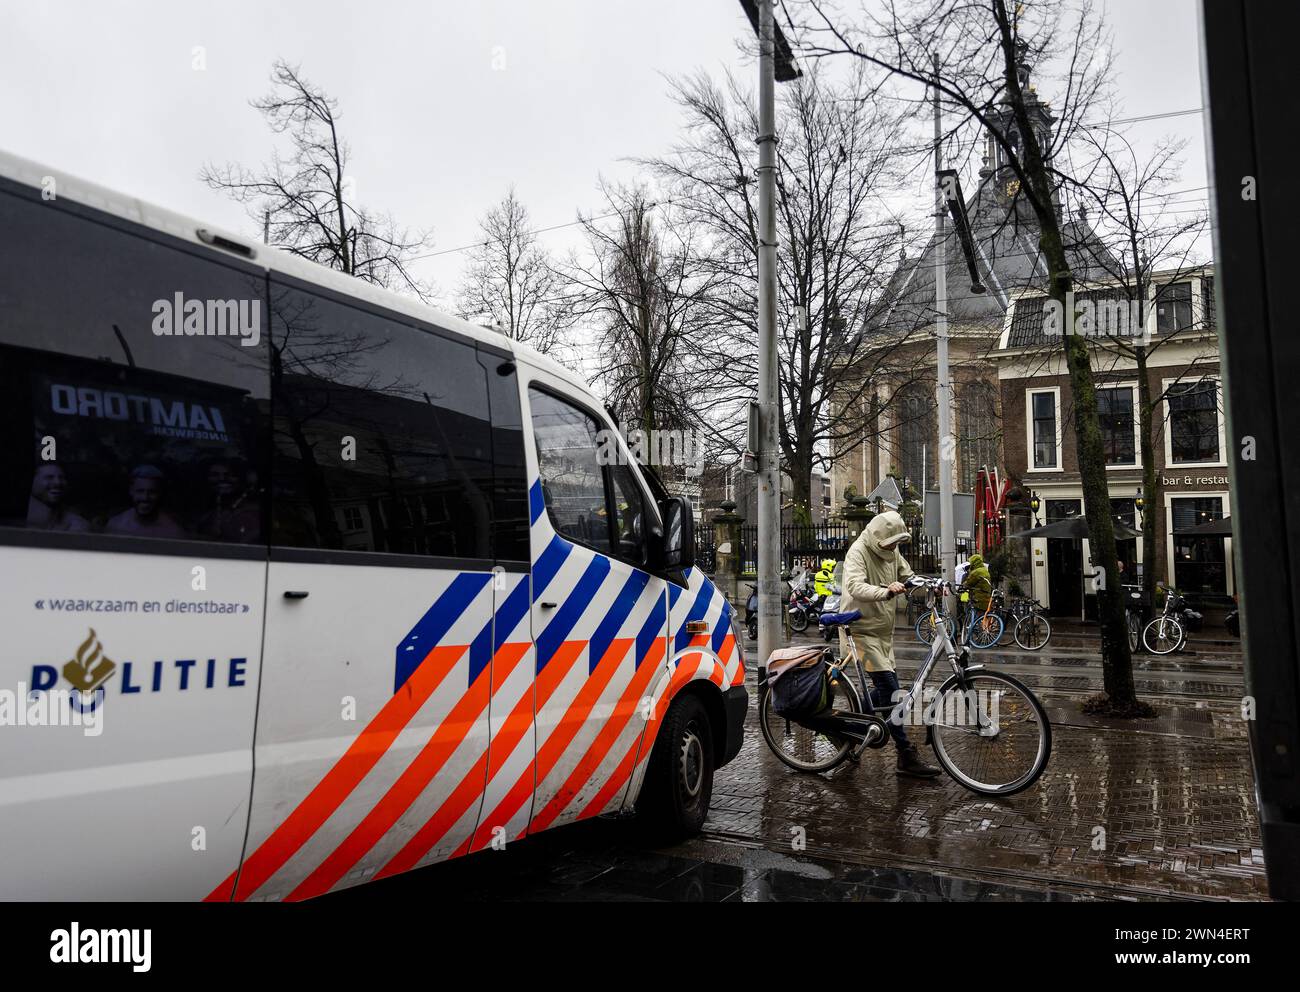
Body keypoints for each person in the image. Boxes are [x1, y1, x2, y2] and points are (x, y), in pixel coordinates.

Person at [841, 510, 941, 778]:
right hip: (861, 630)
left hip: (883, 632)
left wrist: (930, 584)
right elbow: (854, 586)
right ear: (878, 537)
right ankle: (905, 754)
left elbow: (908, 575)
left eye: (897, 543)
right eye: (890, 543)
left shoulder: (892, 550)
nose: (894, 548)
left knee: (885, 689)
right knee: (892, 690)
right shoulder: (858, 551)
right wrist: (885, 592)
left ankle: (844, 725)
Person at [105, 465, 187, 538]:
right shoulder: (116, 526)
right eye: (140, 491)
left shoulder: (173, 532)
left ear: (160, 493)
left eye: (152, 492)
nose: (145, 497)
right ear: (131, 492)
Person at [26, 464, 90, 532]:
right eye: (49, 477)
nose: (58, 482)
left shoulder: (76, 524)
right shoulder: (16, 519)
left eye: (61, 478)